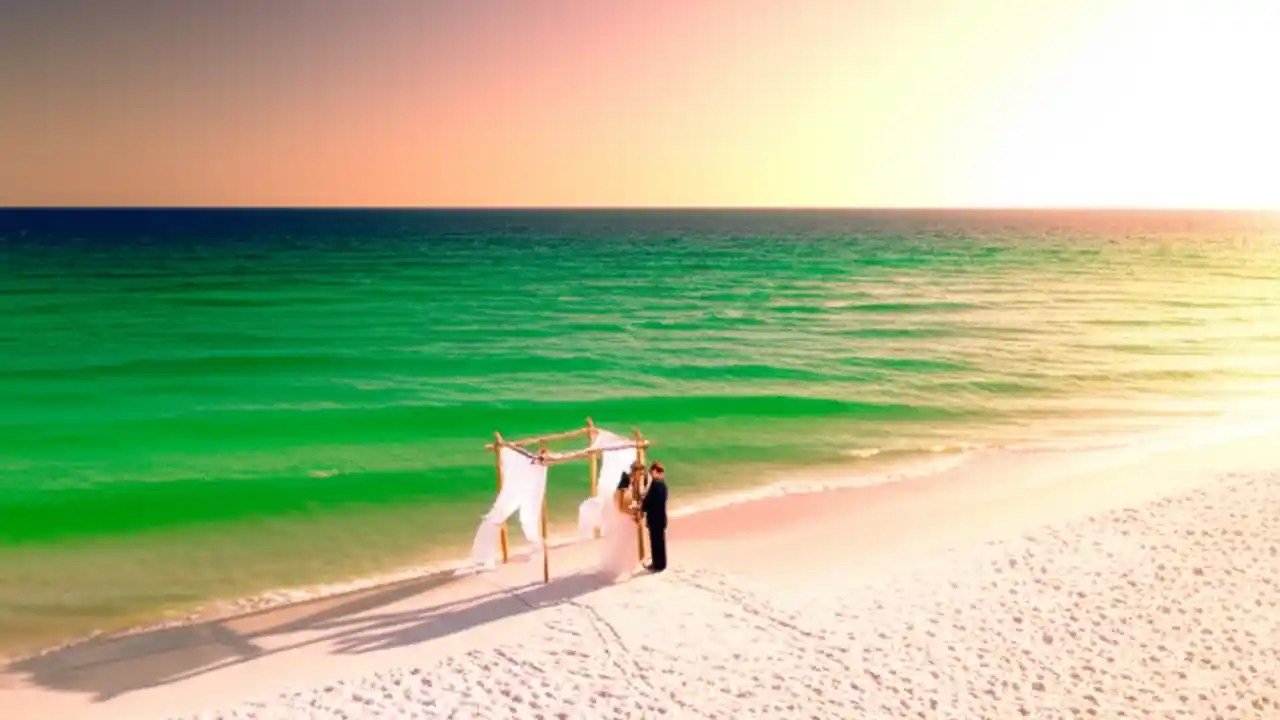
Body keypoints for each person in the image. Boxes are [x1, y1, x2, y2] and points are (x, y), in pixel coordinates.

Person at [597, 465, 641, 580]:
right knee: (623, 540)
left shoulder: (634, 482)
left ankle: (630, 564)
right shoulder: (624, 484)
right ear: (634, 472)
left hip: (629, 513)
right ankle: (620, 566)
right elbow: (620, 504)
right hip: (623, 516)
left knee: (630, 541)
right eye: (639, 473)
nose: (640, 476)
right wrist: (632, 513)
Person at [641, 460, 669, 572]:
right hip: (661, 518)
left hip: (654, 518)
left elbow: (649, 503)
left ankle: (656, 565)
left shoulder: (655, 484)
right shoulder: (663, 485)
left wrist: (643, 504)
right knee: (660, 543)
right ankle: (662, 564)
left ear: (654, 471)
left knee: (655, 543)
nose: (651, 475)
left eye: (651, 472)